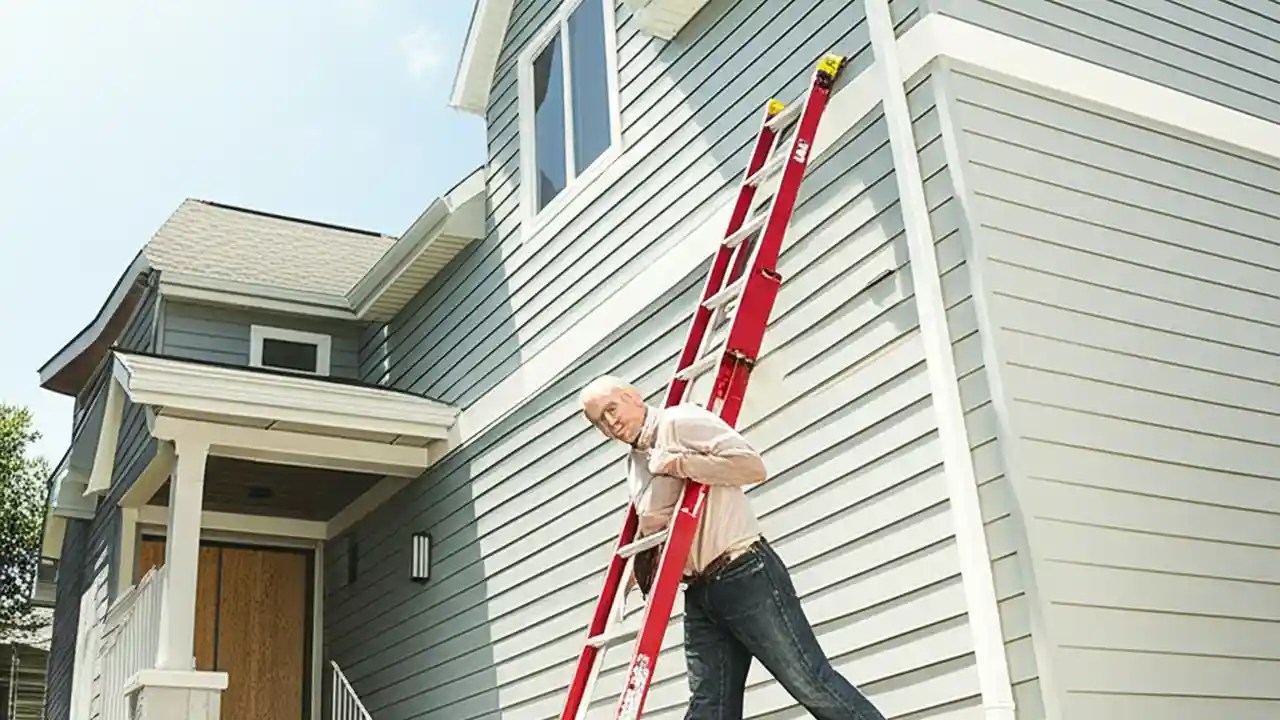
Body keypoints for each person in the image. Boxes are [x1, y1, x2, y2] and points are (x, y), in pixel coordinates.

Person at [578, 375, 887, 720]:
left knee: (809, 681)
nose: (610, 422)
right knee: (710, 708)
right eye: (599, 421)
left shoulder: (679, 421)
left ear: (632, 397)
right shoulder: (633, 465)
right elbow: (656, 525)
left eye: (611, 408)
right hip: (698, 591)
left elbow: (751, 466)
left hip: (743, 573)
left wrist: (678, 462)